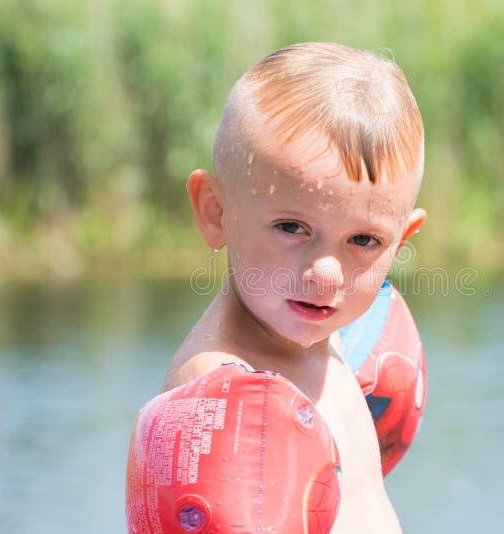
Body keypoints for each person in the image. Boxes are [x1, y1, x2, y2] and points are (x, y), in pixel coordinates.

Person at [160, 42, 426, 533]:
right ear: (216, 213)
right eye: (291, 227)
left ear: (401, 242)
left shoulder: (332, 350)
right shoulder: (222, 396)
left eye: (363, 240)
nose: (326, 272)